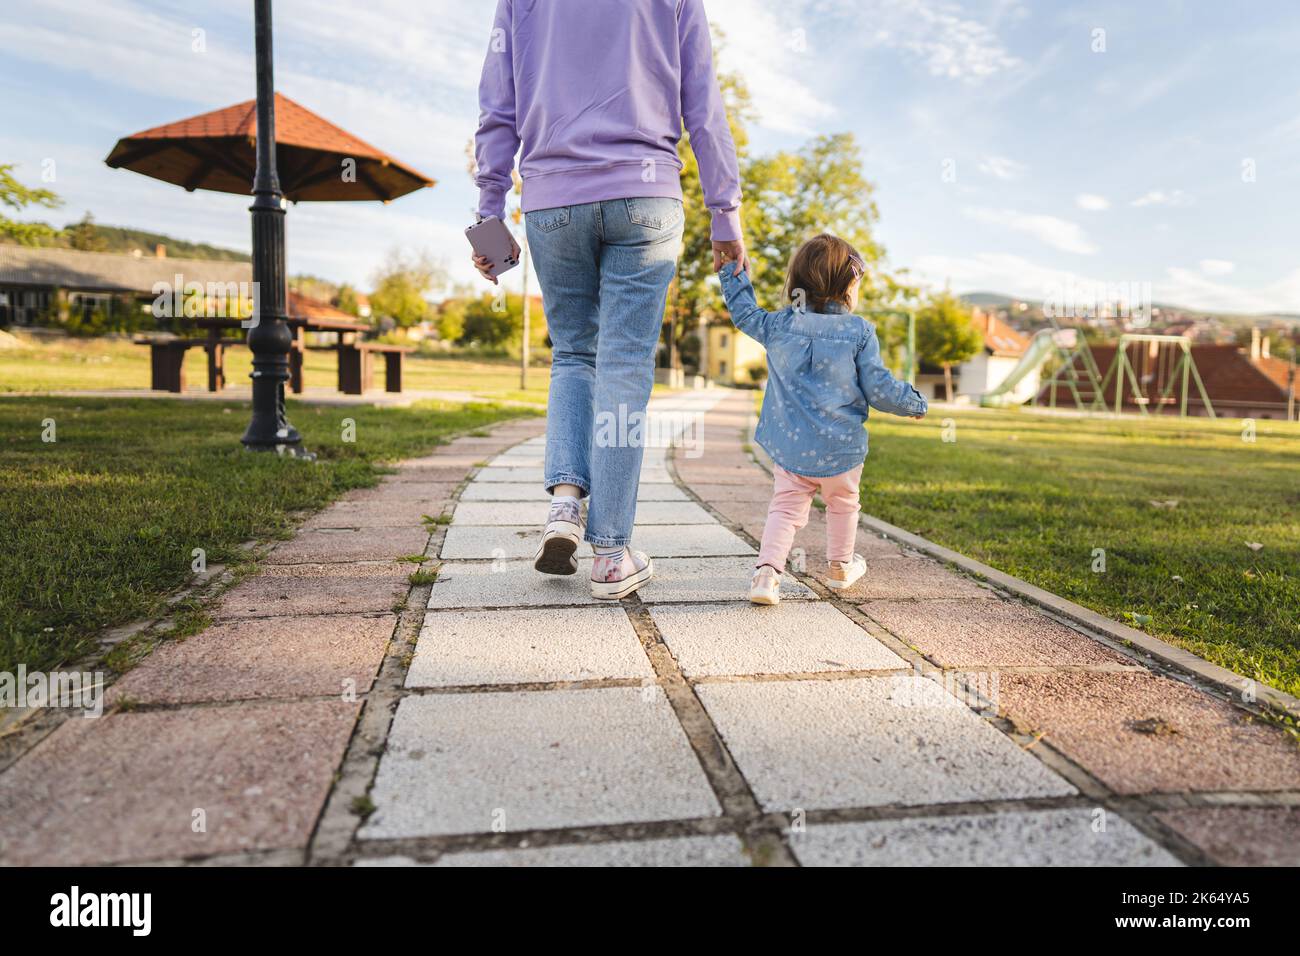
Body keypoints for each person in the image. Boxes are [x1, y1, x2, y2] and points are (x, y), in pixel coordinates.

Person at [472, 0, 745, 600]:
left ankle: (565, 505)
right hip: (644, 195)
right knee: (621, 365)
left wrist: (491, 214)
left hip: (551, 200)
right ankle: (614, 554)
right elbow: (702, 99)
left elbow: (498, 108)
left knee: (573, 354)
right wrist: (724, 211)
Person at [717, 234, 928, 605]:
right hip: (840, 450)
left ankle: (767, 575)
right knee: (843, 504)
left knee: (785, 508)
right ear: (847, 287)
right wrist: (912, 403)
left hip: (792, 446)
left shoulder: (780, 325)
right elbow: (878, 388)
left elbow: (745, 314)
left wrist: (734, 276)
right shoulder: (859, 332)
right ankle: (840, 567)